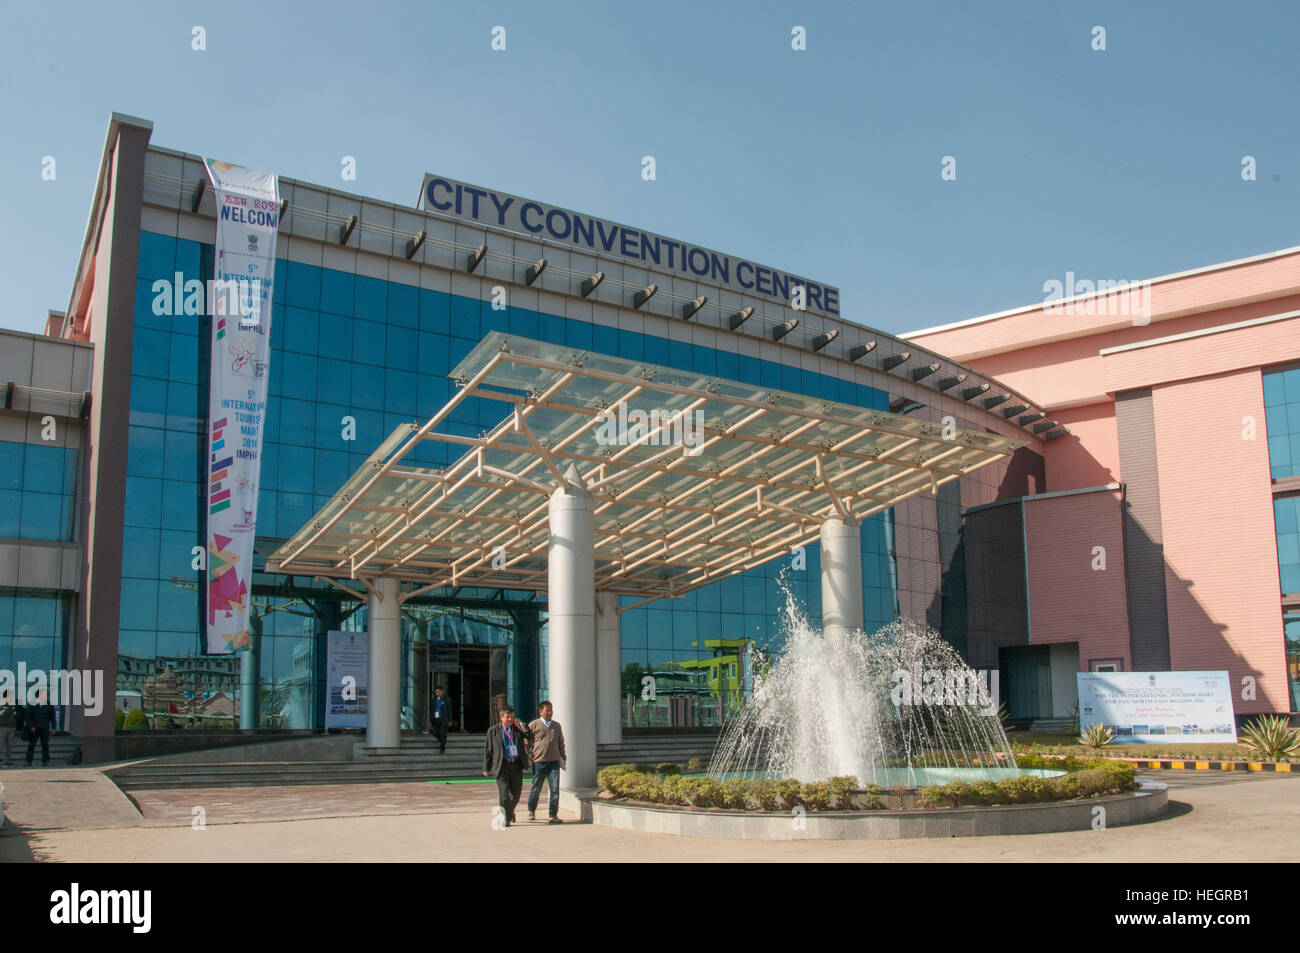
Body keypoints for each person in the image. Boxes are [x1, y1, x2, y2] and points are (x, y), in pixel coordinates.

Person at [483, 706, 532, 827]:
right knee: (504, 794)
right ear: (501, 718)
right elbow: (488, 750)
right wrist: (486, 767)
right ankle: (506, 817)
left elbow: (529, 735)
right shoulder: (493, 731)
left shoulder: (517, 730)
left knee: (516, 793)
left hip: (516, 764)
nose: (510, 719)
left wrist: (521, 724)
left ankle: (509, 812)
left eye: (512, 717)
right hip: (502, 765)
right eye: (507, 717)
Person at [526, 700, 567, 824]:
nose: (550, 712)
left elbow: (561, 743)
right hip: (539, 762)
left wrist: (563, 758)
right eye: (547, 710)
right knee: (536, 788)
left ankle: (553, 814)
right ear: (540, 711)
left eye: (551, 710)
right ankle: (531, 810)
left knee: (554, 789)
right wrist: (525, 758)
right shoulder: (533, 725)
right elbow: (527, 743)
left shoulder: (557, 726)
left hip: (554, 762)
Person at [24, 690, 54, 767]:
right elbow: (28, 716)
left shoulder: (49, 704)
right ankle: (28, 761)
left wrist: (53, 727)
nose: (46, 696)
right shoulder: (32, 703)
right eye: (44, 694)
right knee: (31, 745)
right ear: (39, 695)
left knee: (45, 745)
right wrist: (31, 726)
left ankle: (46, 761)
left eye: (46, 695)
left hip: (45, 728)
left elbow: (52, 717)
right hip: (35, 728)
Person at [429, 685, 452, 754]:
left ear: (442, 691)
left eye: (438, 691)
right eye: (436, 692)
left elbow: (450, 710)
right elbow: (431, 710)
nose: (437, 693)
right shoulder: (433, 700)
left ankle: (442, 747)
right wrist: (430, 721)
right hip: (435, 719)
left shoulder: (447, 699)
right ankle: (442, 741)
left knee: (442, 733)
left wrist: (450, 720)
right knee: (434, 732)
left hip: (444, 719)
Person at [0, 689, 17, 767]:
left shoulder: (12, 705)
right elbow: (1, 715)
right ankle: (2, 761)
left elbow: (15, 715)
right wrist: (7, 708)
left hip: (12, 727)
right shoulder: (2, 705)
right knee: (1, 744)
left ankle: (8, 760)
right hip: (3, 727)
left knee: (10, 745)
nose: (12, 698)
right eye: (10, 696)